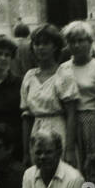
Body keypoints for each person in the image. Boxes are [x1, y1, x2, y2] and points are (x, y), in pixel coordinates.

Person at [56, 21, 95, 169]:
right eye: (72, 41)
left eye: (81, 41)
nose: (76, 45)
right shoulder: (63, 68)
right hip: (67, 120)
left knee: (90, 163)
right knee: (71, 163)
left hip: (91, 120)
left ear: (90, 42)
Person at [19, 23, 68, 162]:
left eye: (46, 43)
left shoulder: (63, 74)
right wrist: (26, 152)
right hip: (37, 130)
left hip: (58, 129)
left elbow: (71, 114)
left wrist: (70, 148)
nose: (40, 47)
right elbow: (26, 116)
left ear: (55, 47)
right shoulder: (29, 76)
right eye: (37, 44)